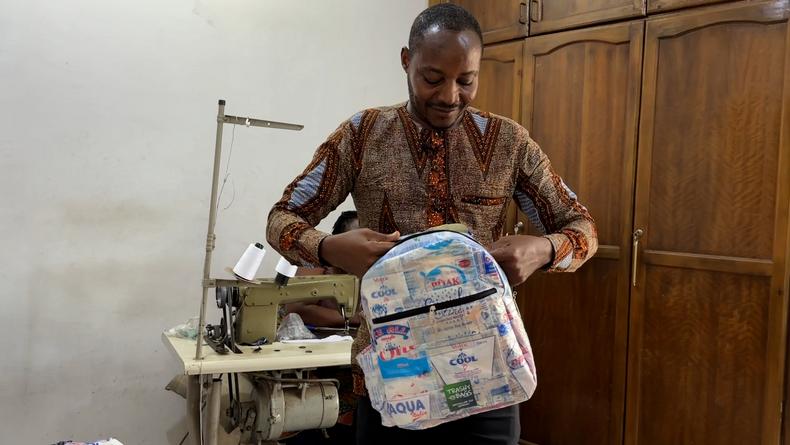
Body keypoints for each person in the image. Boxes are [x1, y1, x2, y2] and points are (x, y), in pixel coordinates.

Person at [266, 4, 597, 444]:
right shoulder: (363, 135)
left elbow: (582, 228)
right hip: (392, 373)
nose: (449, 96)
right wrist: (331, 248)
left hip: (488, 374)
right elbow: (281, 218)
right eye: (432, 78)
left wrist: (543, 250)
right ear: (407, 60)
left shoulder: (509, 143)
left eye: (466, 80)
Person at [285, 210, 362, 328]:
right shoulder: (316, 264)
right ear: (339, 244)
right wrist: (354, 318)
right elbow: (295, 310)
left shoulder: (376, 271)